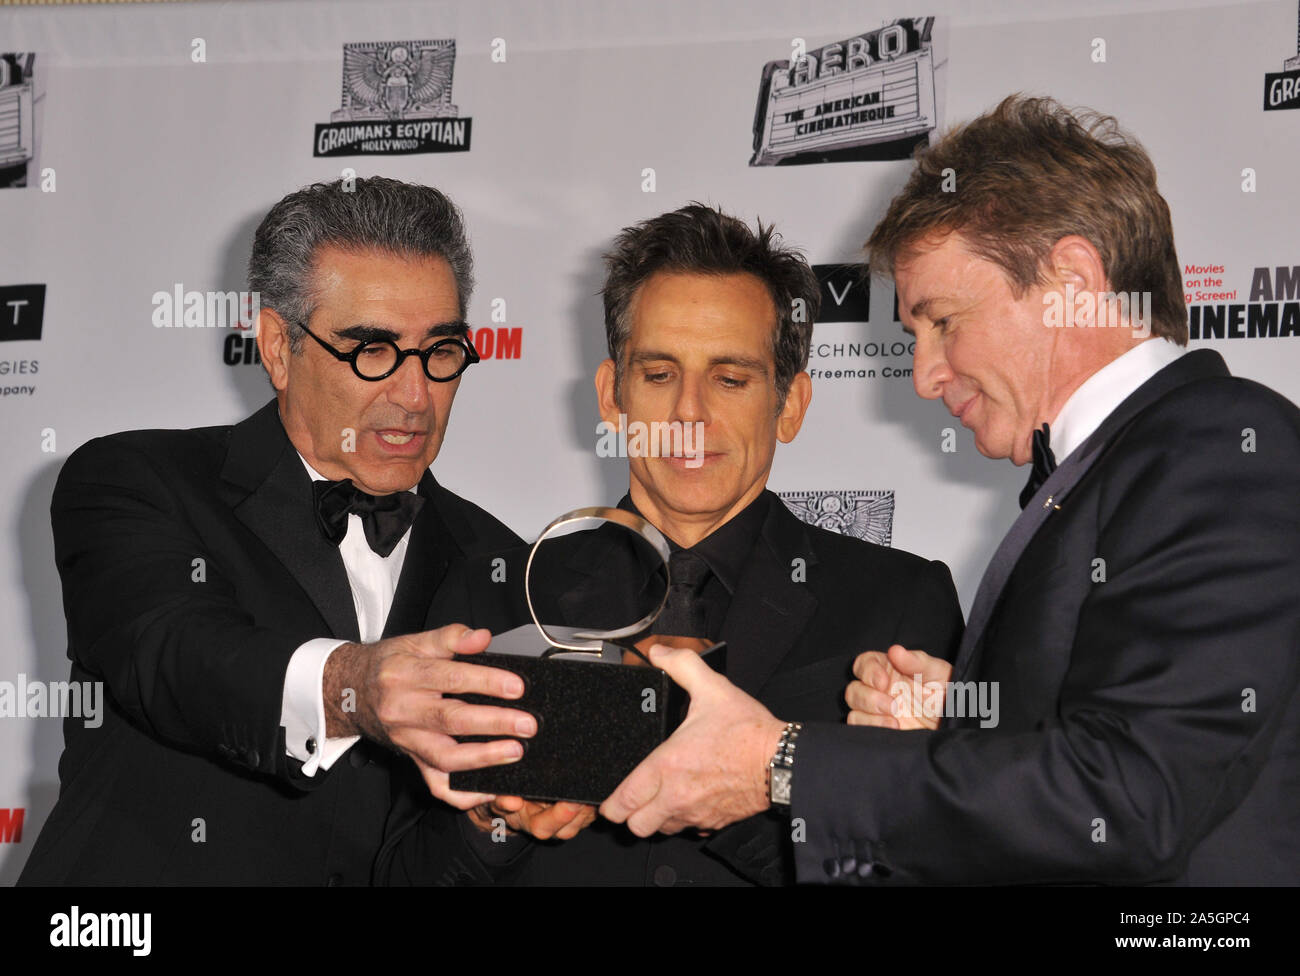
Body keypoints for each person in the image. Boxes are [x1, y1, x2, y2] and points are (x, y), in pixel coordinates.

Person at [599, 96, 1300, 884]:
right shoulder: (1124, 467)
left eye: (941, 321)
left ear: (1071, 278)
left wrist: (783, 761)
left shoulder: (1217, 448)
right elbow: (1103, 754)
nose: (926, 377)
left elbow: (1131, 801)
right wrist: (964, 716)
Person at [383, 203, 964, 885]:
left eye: (730, 378)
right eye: (658, 374)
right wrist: (492, 821)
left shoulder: (898, 605)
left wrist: (745, 792)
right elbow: (402, 874)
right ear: (611, 396)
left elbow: (932, 865)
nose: (689, 413)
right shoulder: (494, 594)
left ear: (791, 405)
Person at [19, 177, 539, 885]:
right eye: (373, 351)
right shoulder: (136, 480)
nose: (415, 396)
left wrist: (493, 819)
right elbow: (178, 658)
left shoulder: (505, 568)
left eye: (440, 351)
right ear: (276, 347)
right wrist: (357, 686)